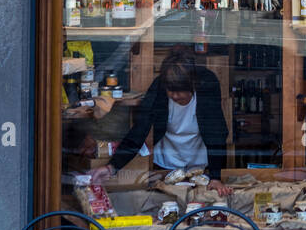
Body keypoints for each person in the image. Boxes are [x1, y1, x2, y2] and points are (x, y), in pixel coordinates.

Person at [91, 47, 229, 193]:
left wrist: (215, 177)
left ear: (192, 85)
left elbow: (217, 132)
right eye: (171, 90)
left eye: (180, 91)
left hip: (201, 163)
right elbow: (139, 130)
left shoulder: (207, 84)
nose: (175, 96)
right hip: (166, 162)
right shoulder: (159, 88)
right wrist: (112, 167)